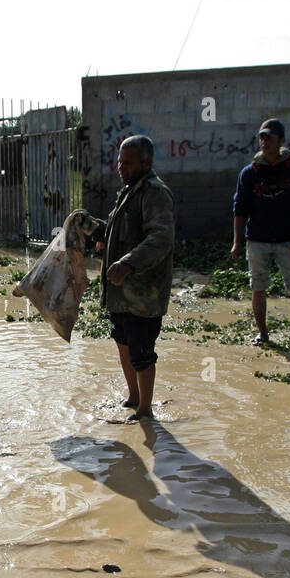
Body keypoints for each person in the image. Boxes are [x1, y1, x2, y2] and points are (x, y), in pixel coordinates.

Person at [91, 135, 175, 424]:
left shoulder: (154, 192)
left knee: (141, 349)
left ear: (146, 162)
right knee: (123, 340)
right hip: (120, 292)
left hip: (143, 293)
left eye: (127, 163)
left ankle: (145, 411)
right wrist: (93, 228)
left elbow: (161, 238)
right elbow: (119, 234)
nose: (121, 168)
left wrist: (128, 263)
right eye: (119, 162)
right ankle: (134, 396)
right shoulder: (128, 192)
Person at [231, 118, 290, 346]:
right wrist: (237, 243)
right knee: (258, 287)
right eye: (262, 137)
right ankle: (263, 334)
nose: (264, 142)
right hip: (257, 240)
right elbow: (239, 211)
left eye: (269, 138)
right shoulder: (249, 173)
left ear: (282, 140)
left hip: (287, 240)